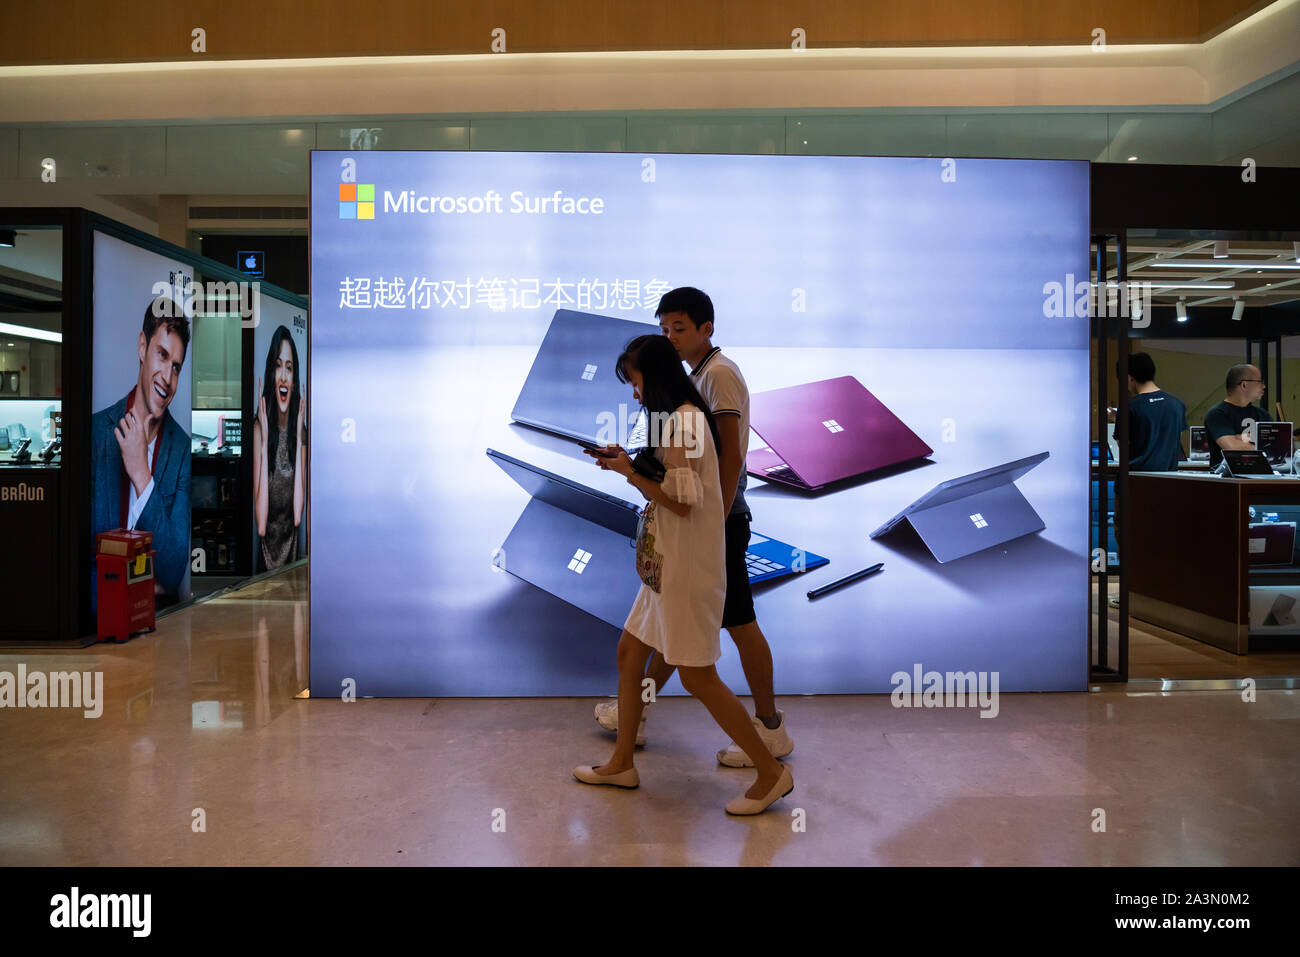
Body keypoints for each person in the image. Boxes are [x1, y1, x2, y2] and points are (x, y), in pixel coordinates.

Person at [573, 335, 793, 815]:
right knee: (631, 653)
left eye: (635, 382)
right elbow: (671, 485)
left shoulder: (686, 422)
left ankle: (771, 772)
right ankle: (621, 762)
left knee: (697, 675)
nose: (634, 393)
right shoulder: (678, 419)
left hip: (687, 566)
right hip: (668, 565)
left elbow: (679, 500)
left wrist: (628, 474)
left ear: (654, 376)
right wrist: (629, 464)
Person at [91, 297, 192, 602]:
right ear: (141, 347)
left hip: (160, 631)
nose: (167, 378)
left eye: (176, 366)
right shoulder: (96, 432)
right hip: (96, 633)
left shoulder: (182, 448)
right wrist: (146, 580)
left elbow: (174, 570)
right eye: (161, 355)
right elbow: (79, 555)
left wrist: (141, 474)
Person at [253, 325, 306, 571]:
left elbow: (297, 516)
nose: (283, 376)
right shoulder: (258, 429)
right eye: (277, 366)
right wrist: (264, 446)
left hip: (293, 560)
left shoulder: (301, 434)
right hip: (265, 563)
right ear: (271, 374)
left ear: (294, 382)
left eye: (289, 368)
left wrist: (297, 434)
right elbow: (261, 525)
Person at [1124, 352, 1187, 472]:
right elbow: (1176, 439)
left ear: (1129, 377)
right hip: (1169, 479)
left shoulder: (1130, 406)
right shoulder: (1177, 404)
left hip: (1135, 479)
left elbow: (1123, 445)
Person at [1204, 364, 1271, 468]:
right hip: (1228, 479)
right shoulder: (1217, 413)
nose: (1264, 386)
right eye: (1260, 381)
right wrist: (1259, 443)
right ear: (1244, 385)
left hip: (1263, 475)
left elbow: (1277, 448)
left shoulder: (1262, 414)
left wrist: (1239, 437)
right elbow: (1232, 448)